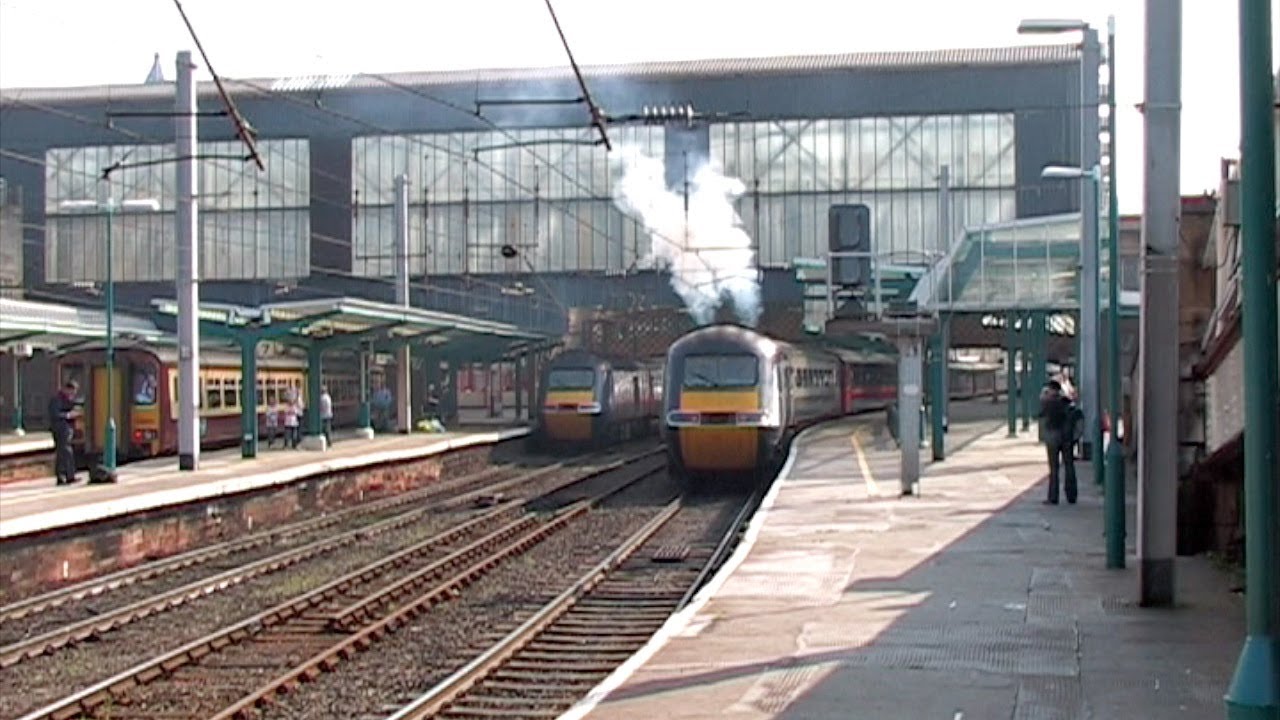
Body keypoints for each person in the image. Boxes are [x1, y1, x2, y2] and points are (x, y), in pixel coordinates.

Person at [1037, 380, 1078, 504]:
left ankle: (1053, 497)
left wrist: (1044, 395)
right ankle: (1071, 495)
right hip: (1067, 438)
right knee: (1069, 466)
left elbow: (1041, 414)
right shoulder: (1066, 402)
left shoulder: (1048, 402)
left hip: (1053, 439)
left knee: (1054, 469)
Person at [48, 380, 80, 486]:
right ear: (66, 389)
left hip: (66, 429)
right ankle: (62, 477)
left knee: (67, 452)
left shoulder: (67, 400)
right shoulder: (57, 399)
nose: (73, 395)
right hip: (60, 429)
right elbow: (55, 414)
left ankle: (69, 475)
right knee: (63, 452)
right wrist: (68, 415)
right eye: (72, 392)